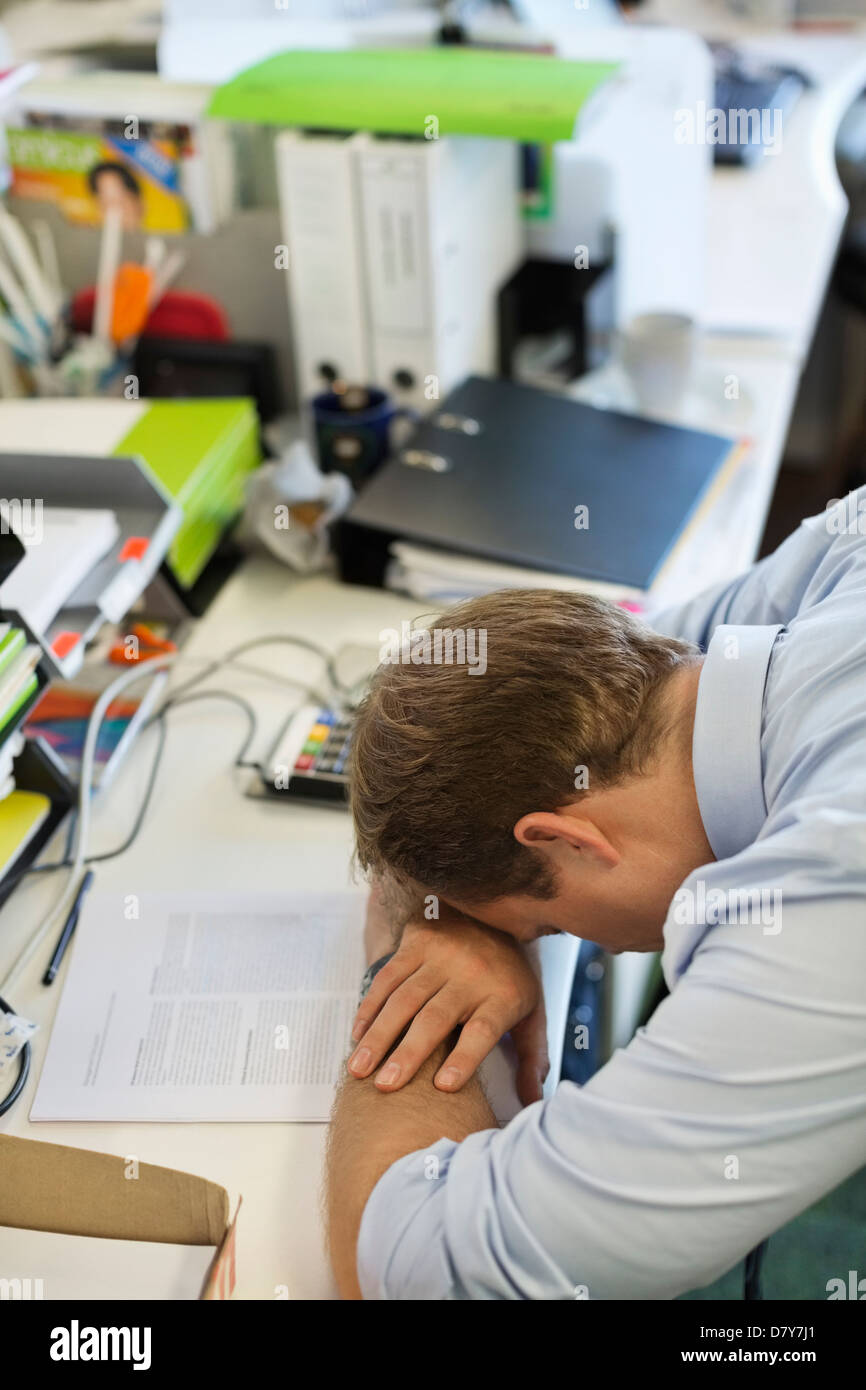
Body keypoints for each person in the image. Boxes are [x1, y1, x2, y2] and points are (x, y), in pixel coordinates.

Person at [326, 488, 866, 1300]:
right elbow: (593, 679)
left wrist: (401, 979)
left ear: (565, 841)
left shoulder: (828, 892)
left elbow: (424, 1274)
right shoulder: (837, 562)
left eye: (541, 925)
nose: (593, 948)